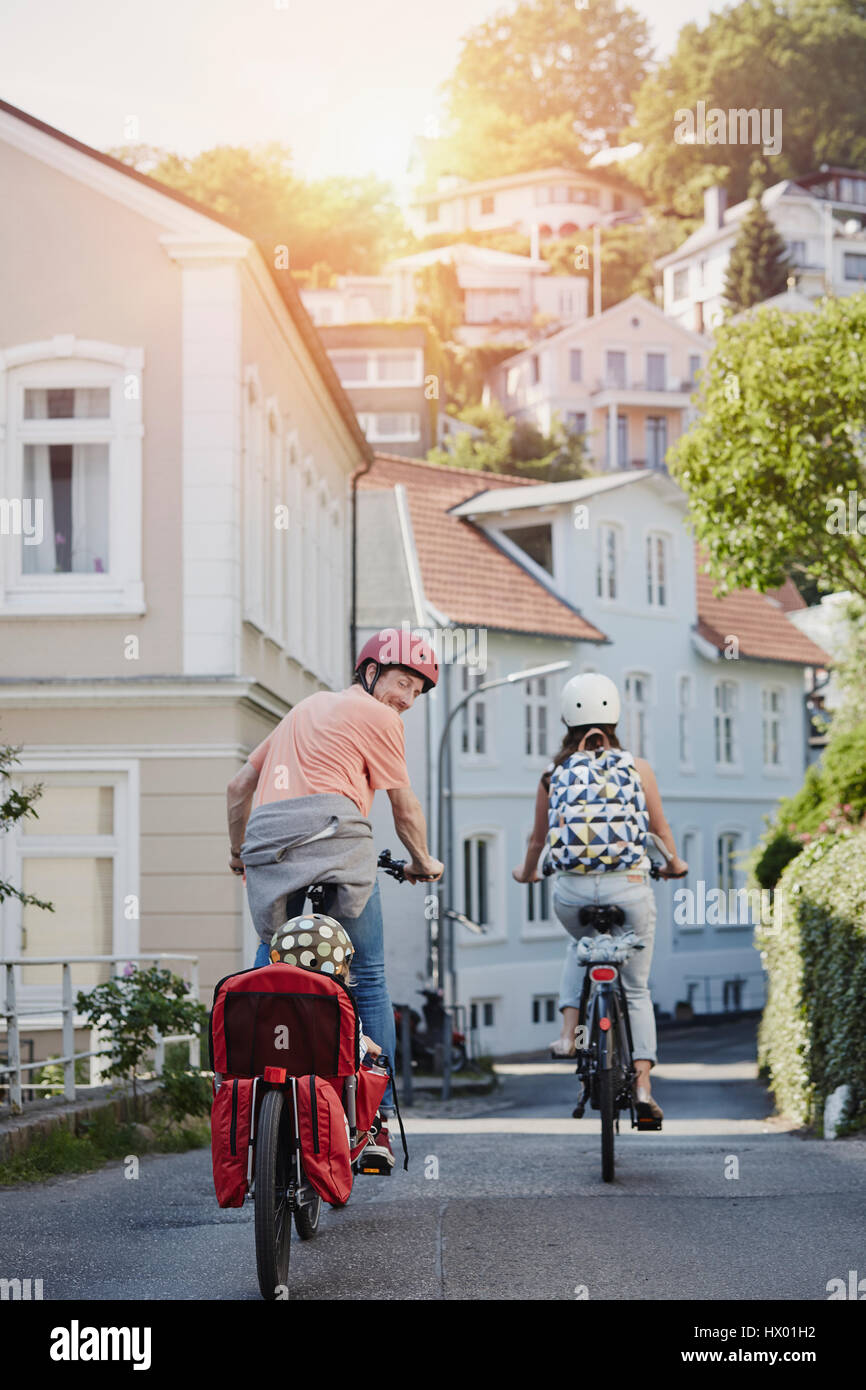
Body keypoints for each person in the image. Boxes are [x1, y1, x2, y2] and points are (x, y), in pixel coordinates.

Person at [225, 629, 444, 1168]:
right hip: (338, 837)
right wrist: (422, 860)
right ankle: (374, 1126)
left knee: (270, 965)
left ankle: (251, 1086)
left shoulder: (304, 708)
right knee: (367, 976)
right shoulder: (380, 719)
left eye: (417, 691)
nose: (407, 698)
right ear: (369, 673)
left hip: (268, 843)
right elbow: (404, 805)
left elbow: (237, 788)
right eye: (401, 682)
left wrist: (238, 855)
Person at [512, 672, 687, 1123]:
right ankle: (644, 1089)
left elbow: (537, 841)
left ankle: (569, 1036)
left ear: (567, 719)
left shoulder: (553, 776)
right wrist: (674, 865)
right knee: (637, 988)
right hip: (628, 887)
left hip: (572, 892)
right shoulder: (638, 767)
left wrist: (526, 873)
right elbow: (659, 831)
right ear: (615, 716)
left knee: (580, 944)